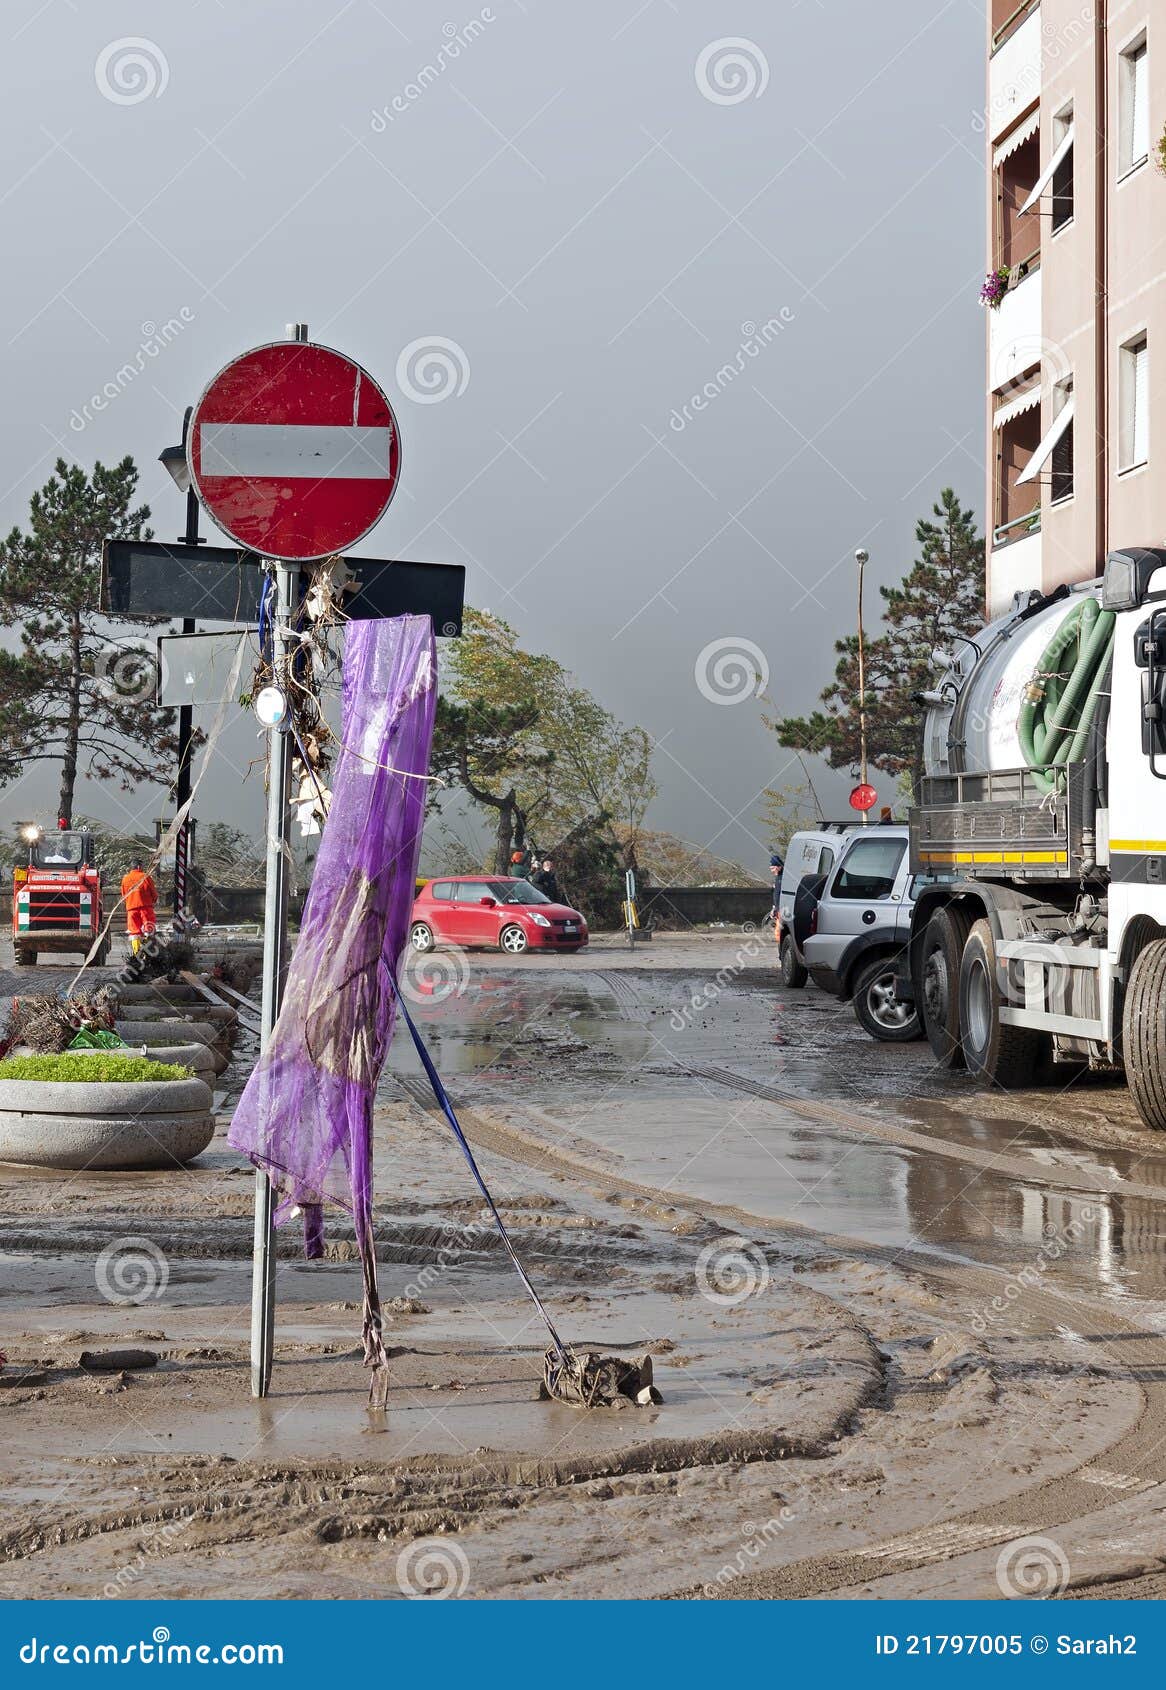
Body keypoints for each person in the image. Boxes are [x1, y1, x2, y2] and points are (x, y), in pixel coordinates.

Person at [121, 857, 158, 956]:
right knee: (148, 929)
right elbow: (153, 893)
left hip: (131, 909)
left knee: (134, 932)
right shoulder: (145, 877)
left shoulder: (125, 879)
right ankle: (147, 953)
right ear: (138, 866)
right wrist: (154, 900)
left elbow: (124, 895)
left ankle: (136, 954)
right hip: (145, 907)